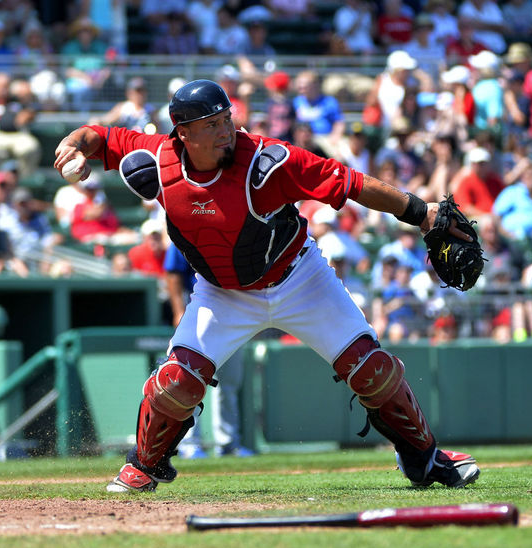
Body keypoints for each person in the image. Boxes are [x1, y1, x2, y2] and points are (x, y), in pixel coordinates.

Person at [54, 78, 481, 493]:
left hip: (299, 276)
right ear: (183, 133)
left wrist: (421, 213)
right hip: (221, 291)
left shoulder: (268, 160)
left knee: (372, 369)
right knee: (177, 380)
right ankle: (143, 465)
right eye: (212, 125)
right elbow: (95, 136)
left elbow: (350, 183)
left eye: (227, 119)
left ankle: (425, 458)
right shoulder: (158, 157)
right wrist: (71, 145)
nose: (226, 131)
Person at [163, 243, 254, 458]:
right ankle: (189, 442)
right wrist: (178, 310)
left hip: (233, 312)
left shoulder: (240, 225)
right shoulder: (187, 228)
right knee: (189, 380)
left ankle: (228, 442)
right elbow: (173, 272)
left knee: (229, 382)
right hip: (200, 312)